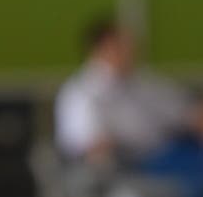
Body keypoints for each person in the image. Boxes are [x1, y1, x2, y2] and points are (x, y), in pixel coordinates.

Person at [55, 18, 192, 163]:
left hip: (170, 153)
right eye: (123, 45)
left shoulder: (144, 80)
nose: (132, 51)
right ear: (103, 48)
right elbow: (93, 148)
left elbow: (186, 113)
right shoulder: (81, 93)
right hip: (129, 166)